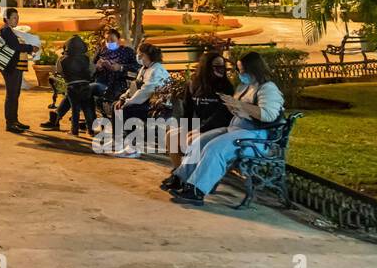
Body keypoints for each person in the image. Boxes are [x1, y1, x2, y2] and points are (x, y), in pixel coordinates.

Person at [167, 51, 286, 205]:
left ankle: (197, 190)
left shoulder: (268, 89)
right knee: (200, 142)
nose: (240, 73)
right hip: (236, 129)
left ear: (253, 69)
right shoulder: (246, 87)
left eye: (242, 70)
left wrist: (240, 105)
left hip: (254, 136)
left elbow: (268, 115)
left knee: (214, 148)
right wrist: (232, 106)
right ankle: (182, 178)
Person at [166, 51, 234, 169]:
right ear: (206, 67)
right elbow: (187, 110)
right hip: (199, 126)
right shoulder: (193, 84)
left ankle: (191, 176)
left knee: (193, 140)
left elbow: (222, 115)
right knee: (171, 135)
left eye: (222, 66)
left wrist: (200, 130)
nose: (220, 69)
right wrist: (187, 128)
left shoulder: (226, 87)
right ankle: (178, 172)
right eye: (216, 66)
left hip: (218, 128)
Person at [110, 42, 170, 157]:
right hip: (144, 100)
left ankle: (133, 147)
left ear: (149, 56)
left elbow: (146, 91)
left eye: (141, 54)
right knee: (115, 105)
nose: (138, 56)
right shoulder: (144, 68)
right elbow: (135, 86)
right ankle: (117, 141)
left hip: (156, 105)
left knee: (129, 109)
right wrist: (123, 98)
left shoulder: (156, 70)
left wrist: (128, 101)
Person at [0, 7, 37, 134]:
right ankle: (10, 123)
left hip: (14, 66)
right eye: (14, 17)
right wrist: (31, 47)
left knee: (15, 94)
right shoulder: (6, 30)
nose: (17, 20)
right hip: (10, 67)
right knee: (12, 95)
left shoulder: (8, 30)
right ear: (6, 19)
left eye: (17, 17)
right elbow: (15, 46)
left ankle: (15, 121)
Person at [41, 35, 92, 133]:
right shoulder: (87, 58)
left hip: (72, 85)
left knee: (75, 109)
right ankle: (90, 130)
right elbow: (92, 70)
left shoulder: (62, 59)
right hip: (86, 85)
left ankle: (74, 130)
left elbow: (59, 71)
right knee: (87, 108)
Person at [91, 28, 139, 106]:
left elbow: (137, 66)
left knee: (87, 89)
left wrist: (121, 67)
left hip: (119, 84)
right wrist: (97, 67)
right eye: (107, 40)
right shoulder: (101, 51)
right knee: (84, 90)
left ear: (119, 40)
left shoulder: (127, 51)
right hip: (102, 82)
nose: (109, 42)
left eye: (112, 40)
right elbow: (91, 68)